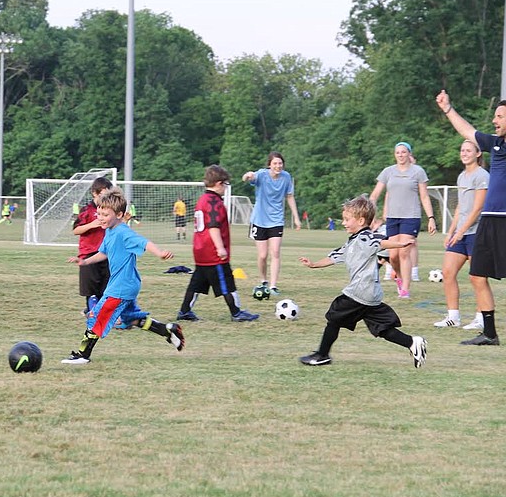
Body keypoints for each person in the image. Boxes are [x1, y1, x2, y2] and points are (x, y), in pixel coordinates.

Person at [297, 195, 427, 368]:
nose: (343, 223)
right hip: (369, 294)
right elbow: (335, 257)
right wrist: (313, 265)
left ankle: (322, 354)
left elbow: (380, 241)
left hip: (360, 291)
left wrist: (401, 244)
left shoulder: (366, 238)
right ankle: (412, 343)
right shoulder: (353, 241)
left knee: (334, 316)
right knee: (383, 330)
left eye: (346, 219)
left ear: (360, 220)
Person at [61, 187, 185, 365]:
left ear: (119, 215)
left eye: (105, 215)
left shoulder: (123, 232)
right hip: (124, 285)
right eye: (99, 214)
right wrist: (84, 262)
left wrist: (159, 253)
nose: (100, 218)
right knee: (129, 319)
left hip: (122, 286)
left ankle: (83, 354)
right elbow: (103, 252)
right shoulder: (110, 231)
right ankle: (167, 330)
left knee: (97, 316)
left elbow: (144, 242)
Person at [436, 89, 506, 345]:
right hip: (490, 219)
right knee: (477, 275)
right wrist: (448, 109)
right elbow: (467, 132)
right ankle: (489, 333)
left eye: (499, 116)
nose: (494, 120)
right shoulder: (495, 144)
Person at [176, 165, 259, 323]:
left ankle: (184, 311)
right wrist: (220, 248)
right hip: (212, 252)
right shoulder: (215, 202)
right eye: (226, 185)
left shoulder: (202, 199)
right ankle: (236, 312)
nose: (226, 189)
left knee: (196, 284)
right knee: (226, 282)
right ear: (219, 184)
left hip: (200, 250)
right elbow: (213, 226)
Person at [369, 142, 436, 299]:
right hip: (393, 217)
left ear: (409, 154)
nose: (400, 155)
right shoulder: (388, 172)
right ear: (395, 154)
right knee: (393, 255)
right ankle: (399, 277)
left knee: (404, 252)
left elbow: (424, 197)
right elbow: (375, 195)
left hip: (411, 216)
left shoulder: (418, 172)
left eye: (403, 152)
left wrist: (431, 218)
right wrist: (370, 216)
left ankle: (405, 289)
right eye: (397, 152)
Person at [433, 140, 489, 329]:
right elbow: (460, 206)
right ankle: (453, 317)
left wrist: (462, 231)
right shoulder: (462, 176)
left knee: (477, 277)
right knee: (448, 272)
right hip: (460, 233)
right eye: (462, 150)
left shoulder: (482, 176)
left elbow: (477, 208)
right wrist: (451, 231)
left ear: (478, 153)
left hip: (477, 232)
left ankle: (481, 318)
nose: (464, 153)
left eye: (468, 150)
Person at [242, 151, 301, 296]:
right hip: (259, 220)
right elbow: (248, 178)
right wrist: (247, 175)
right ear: (269, 165)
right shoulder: (262, 175)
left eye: (280, 163)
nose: (278, 166)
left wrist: (296, 217)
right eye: (275, 163)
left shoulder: (286, 177)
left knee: (275, 252)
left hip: (276, 220)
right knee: (262, 255)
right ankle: (263, 281)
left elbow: (290, 197)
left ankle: (273, 286)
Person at [69, 177, 113, 316]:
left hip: (107, 253)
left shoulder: (110, 210)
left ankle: (101, 312)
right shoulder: (87, 210)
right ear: (95, 193)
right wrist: (92, 225)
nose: (106, 197)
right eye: (103, 194)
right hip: (89, 253)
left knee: (106, 287)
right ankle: (92, 311)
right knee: (91, 288)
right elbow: (76, 230)